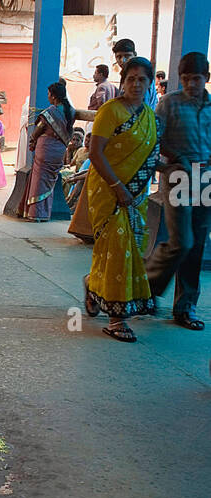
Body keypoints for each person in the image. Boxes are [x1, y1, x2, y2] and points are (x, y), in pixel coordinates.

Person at [83, 55, 159, 343]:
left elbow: (152, 157)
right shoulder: (110, 112)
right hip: (108, 190)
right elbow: (95, 154)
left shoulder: (150, 117)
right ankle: (117, 318)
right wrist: (118, 187)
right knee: (117, 248)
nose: (136, 85)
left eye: (142, 80)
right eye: (131, 79)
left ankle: (92, 284)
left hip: (136, 193)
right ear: (122, 82)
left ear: (150, 83)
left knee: (126, 249)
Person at [145, 51, 210, 331]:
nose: (191, 84)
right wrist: (172, 160)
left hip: (206, 180)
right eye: (185, 79)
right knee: (181, 242)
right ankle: (144, 289)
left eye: (196, 79)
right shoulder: (168, 105)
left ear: (206, 78)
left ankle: (185, 307)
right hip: (178, 178)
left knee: (196, 247)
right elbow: (152, 140)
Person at [18, 79, 74, 220]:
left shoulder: (50, 112)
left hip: (46, 150)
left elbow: (37, 131)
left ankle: (36, 213)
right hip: (59, 150)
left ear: (54, 96)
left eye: (49, 94)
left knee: (39, 181)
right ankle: (44, 213)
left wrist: (32, 141)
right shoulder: (71, 111)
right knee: (50, 181)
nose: (48, 96)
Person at [113, 38, 157, 110]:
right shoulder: (125, 75)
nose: (123, 60)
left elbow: (140, 107)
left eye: (127, 56)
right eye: (119, 57)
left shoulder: (142, 74)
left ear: (135, 55)